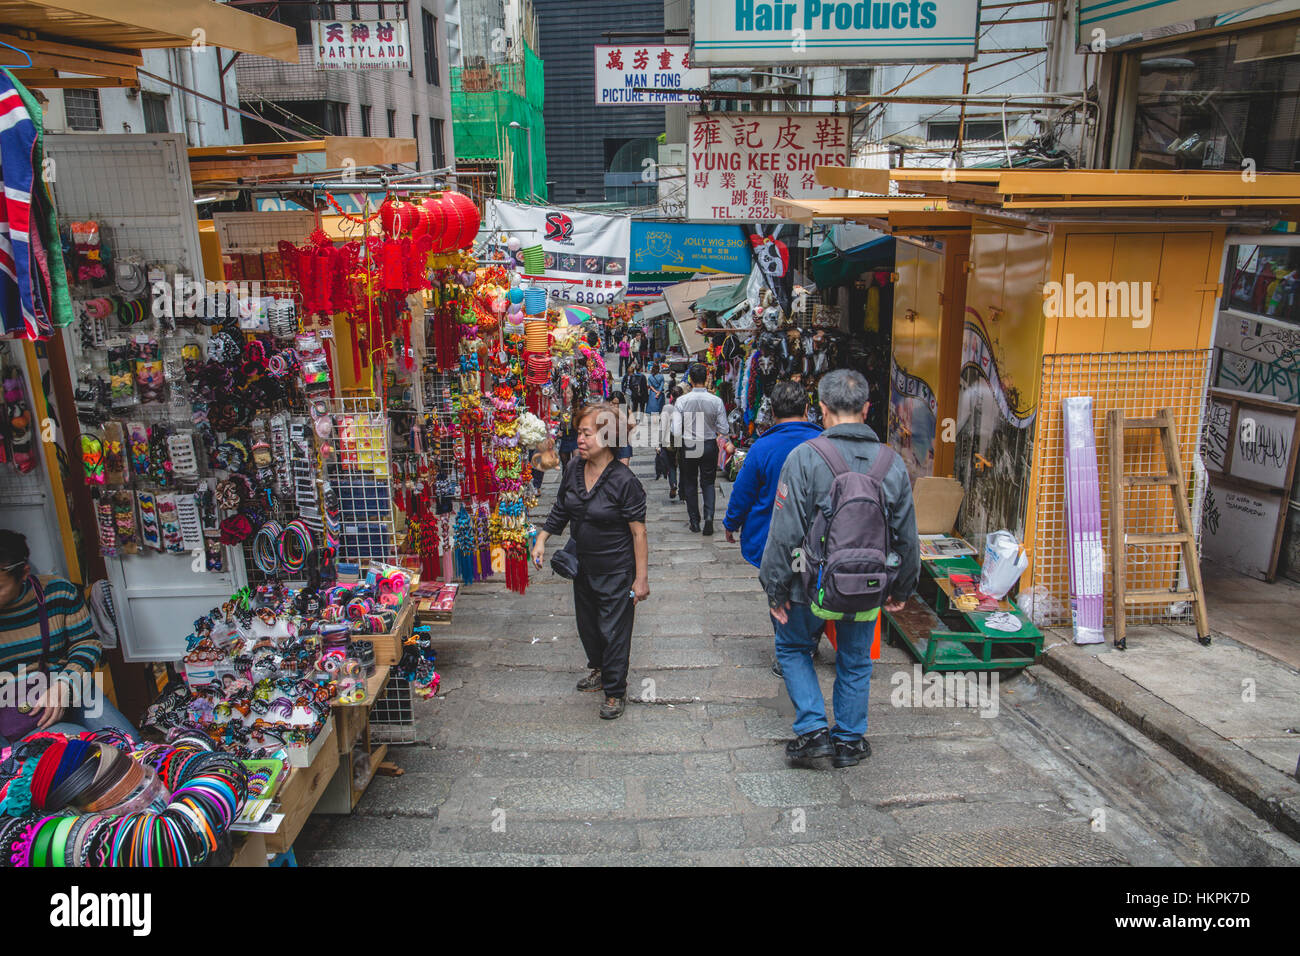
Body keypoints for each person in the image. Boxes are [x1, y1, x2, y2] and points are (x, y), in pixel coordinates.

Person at [758, 369, 919, 770]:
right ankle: (848, 739)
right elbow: (907, 536)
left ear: (822, 409)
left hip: (804, 583)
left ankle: (813, 731)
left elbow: (784, 530)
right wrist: (901, 588)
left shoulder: (805, 457)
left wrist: (774, 587)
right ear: (867, 409)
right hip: (866, 583)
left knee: (793, 648)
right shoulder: (891, 463)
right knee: (855, 658)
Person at [531, 405, 649, 720]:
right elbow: (562, 508)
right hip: (583, 566)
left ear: (607, 436)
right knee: (589, 628)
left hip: (616, 570)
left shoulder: (625, 481)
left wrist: (641, 579)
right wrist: (542, 539)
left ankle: (615, 691)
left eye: (587, 433)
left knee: (615, 632)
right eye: (579, 433)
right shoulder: (573, 469)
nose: (580, 440)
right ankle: (599, 669)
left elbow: (639, 534)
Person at [0, 529, 140, 747]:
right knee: (79, 747)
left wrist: (64, 684)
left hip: (68, 685)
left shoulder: (58, 592)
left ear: (25, 572)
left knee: (127, 743)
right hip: (14, 707)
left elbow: (87, 643)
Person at [674, 364, 732, 535]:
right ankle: (709, 516)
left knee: (691, 482)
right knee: (708, 483)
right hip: (708, 443)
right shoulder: (716, 401)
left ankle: (694, 521)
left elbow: (675, 430)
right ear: (706, 378)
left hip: (690, 443)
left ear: (690, 380)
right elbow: (724, 428)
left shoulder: (682, 401)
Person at [608, 390, 634, 466]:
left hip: (624, 443)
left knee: (624, 468)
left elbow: (633, 425)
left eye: (618, 404)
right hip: (611, 444)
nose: (616, 406)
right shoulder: (606, 411)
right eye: (613, 403)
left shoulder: (627, 410)